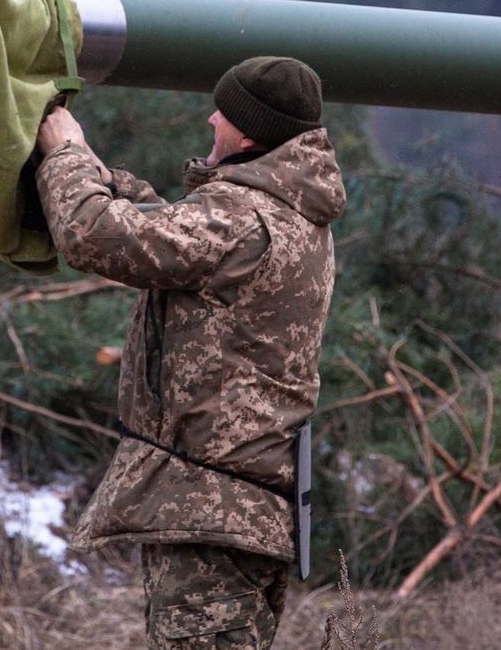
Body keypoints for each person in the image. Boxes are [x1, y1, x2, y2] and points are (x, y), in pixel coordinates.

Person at [33, 56, 346, 650]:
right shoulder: (292, 212)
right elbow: (172, 234)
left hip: (212, 515)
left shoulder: (242, 216)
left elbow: (94, 237)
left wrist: (66, 152)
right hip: (236, 514)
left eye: (223, 113)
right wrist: (106, 178)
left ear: (250, 133)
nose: (210, 119)